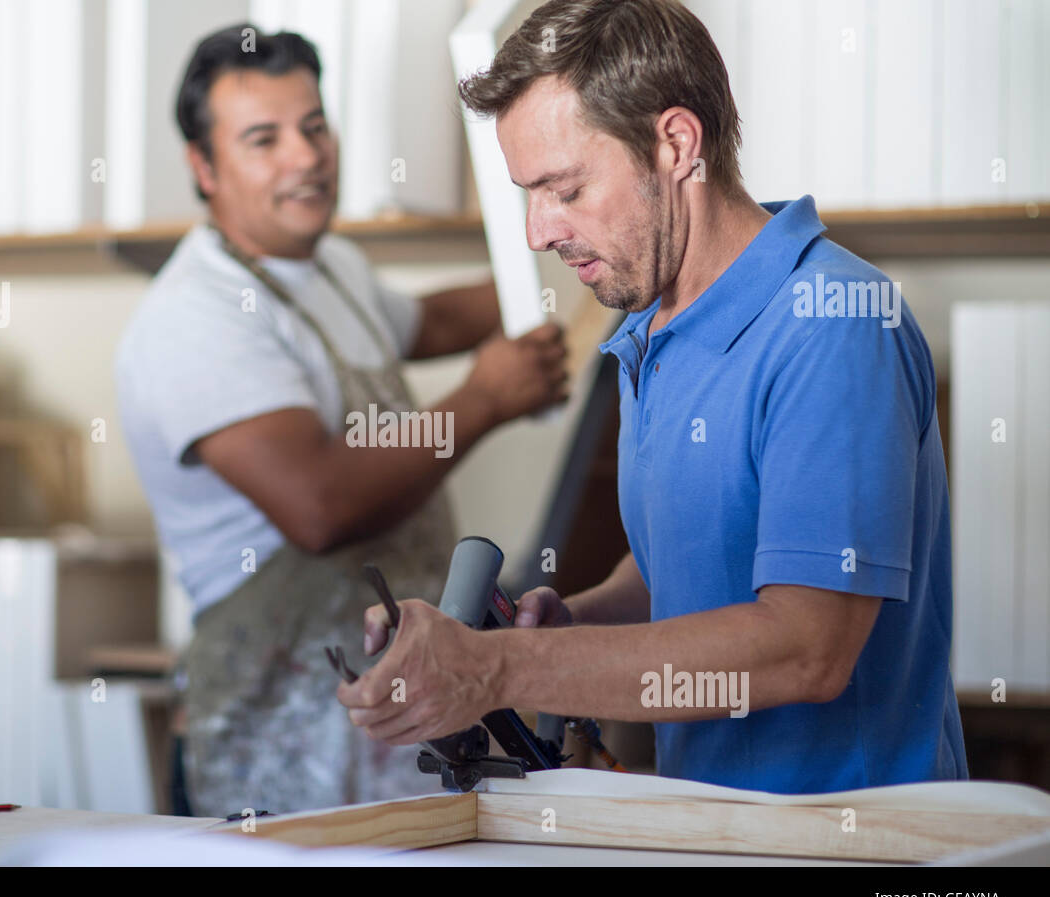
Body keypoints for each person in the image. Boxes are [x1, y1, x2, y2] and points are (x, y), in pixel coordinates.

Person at [338, 0, 968, 794]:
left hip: (855, 845)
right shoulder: (650, 330)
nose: (538, 231)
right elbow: (689, 559)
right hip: (710, 832)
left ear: (675, 144)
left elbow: (808, 649)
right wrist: (571, 624)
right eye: (527, 194)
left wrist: (503, 667)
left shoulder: (831, 328)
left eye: (563, 188)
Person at [116, 24, 569, 816]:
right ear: (203, 166)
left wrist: (563, 245)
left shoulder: (331, 267)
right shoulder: (195, 318)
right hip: (277, 744)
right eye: (264, 138)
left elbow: (425, 323)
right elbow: (319, 506)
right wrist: (487, 399)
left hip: (393, 722)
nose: (306, 156)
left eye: (314, 125)